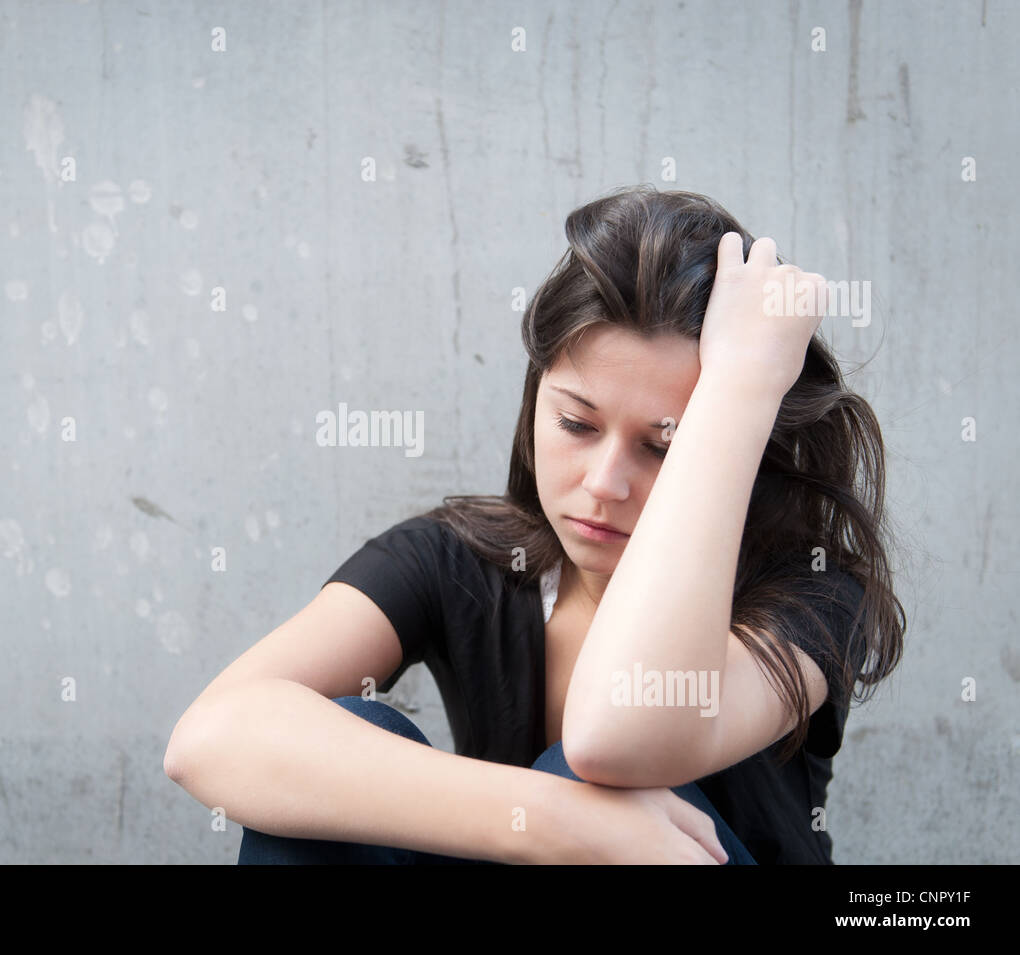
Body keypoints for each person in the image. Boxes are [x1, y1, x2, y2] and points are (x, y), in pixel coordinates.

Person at [163, 184, 906, 864]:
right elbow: (210, 736)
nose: (604, 483)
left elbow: (616, 735)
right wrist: (551, 820)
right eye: (577, 424)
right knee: (341, 743)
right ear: (535, 401)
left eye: (665, 447)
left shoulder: (812, 594)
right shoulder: (458, 559)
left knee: (581, 768)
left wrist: (742, 387)